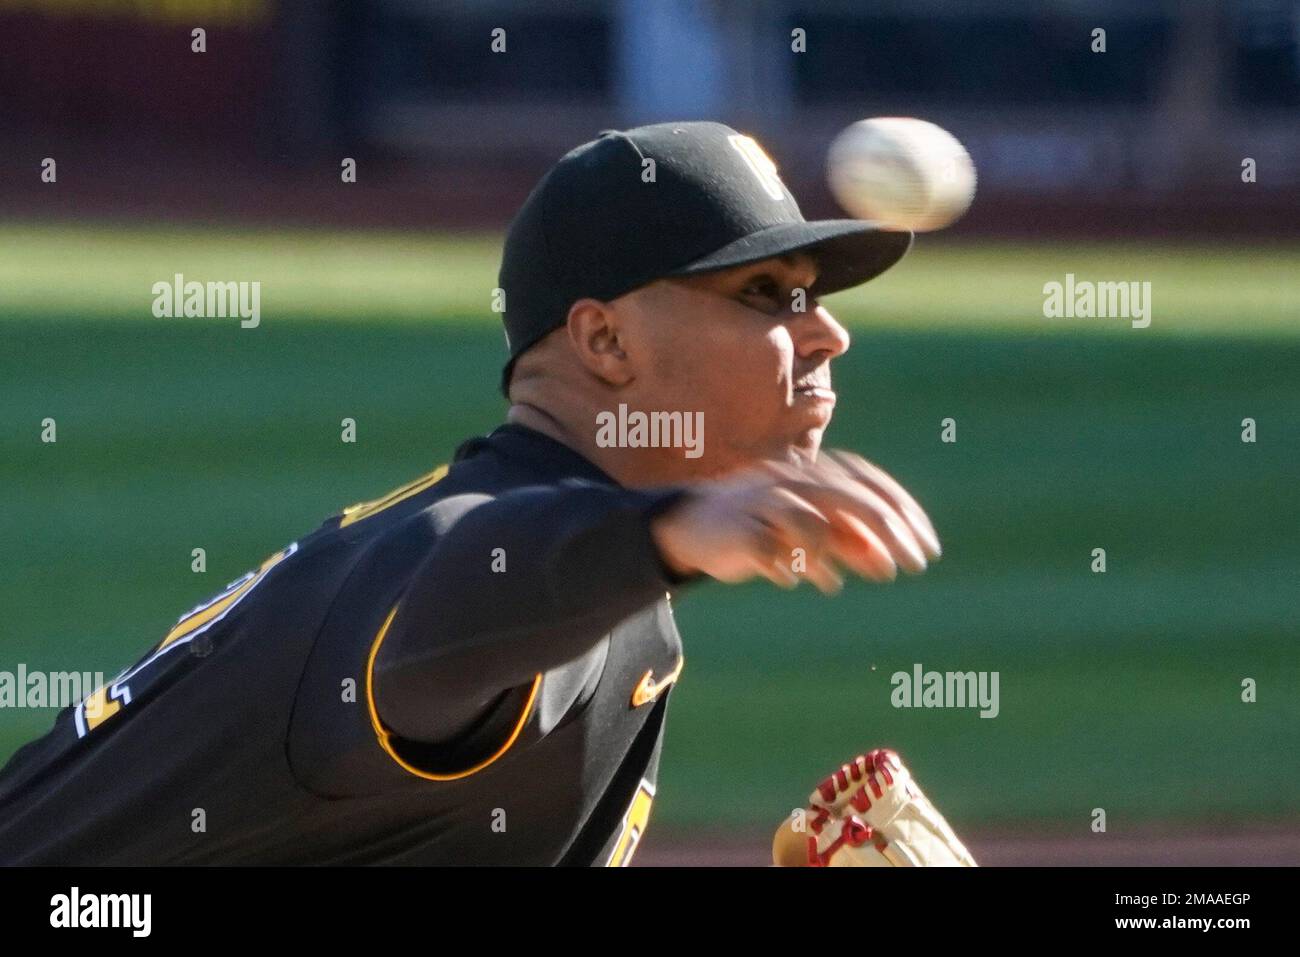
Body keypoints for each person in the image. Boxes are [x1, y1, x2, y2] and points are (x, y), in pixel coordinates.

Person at [0, 121, 939, 865]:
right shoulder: (476, 553)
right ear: (605, 342)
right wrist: (669, 532)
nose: (826, 336)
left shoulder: (596, 599)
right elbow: (448, 620)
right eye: (768, 293)